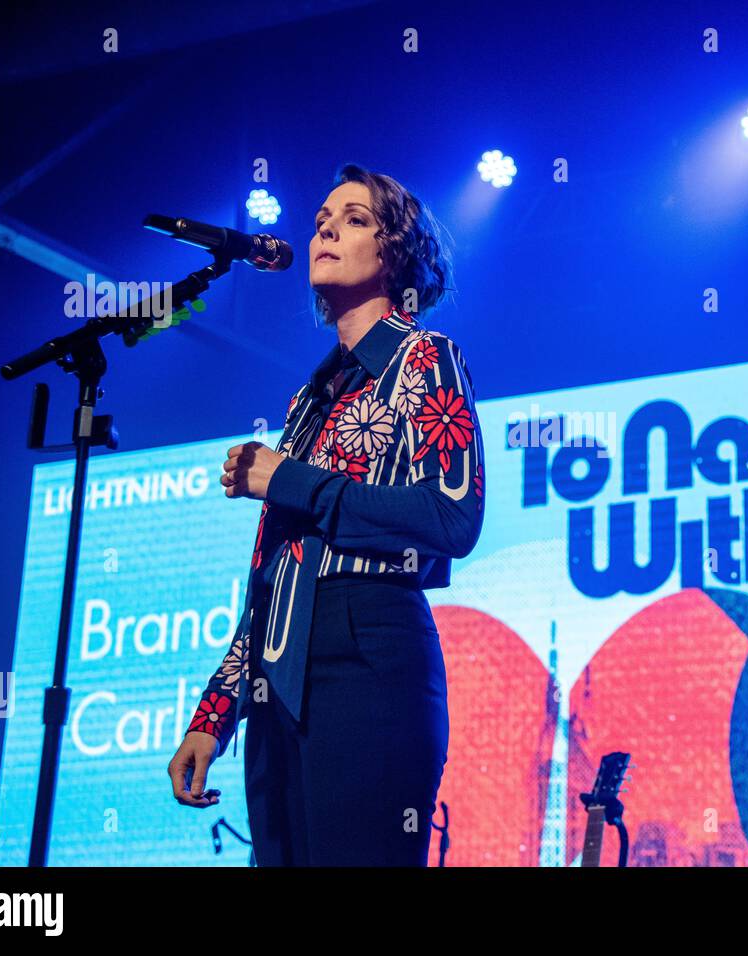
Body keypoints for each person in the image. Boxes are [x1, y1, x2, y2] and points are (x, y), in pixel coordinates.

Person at [167, 163, 484, 865]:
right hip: (280, 669)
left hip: (371, 647)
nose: (327, 229)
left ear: (395, 251)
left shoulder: (424, 357)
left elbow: (454, 517)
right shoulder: (308, 401)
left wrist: (294, 481)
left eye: (355, 217)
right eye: (319, 220)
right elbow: (273, 575)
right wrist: (213, 716)